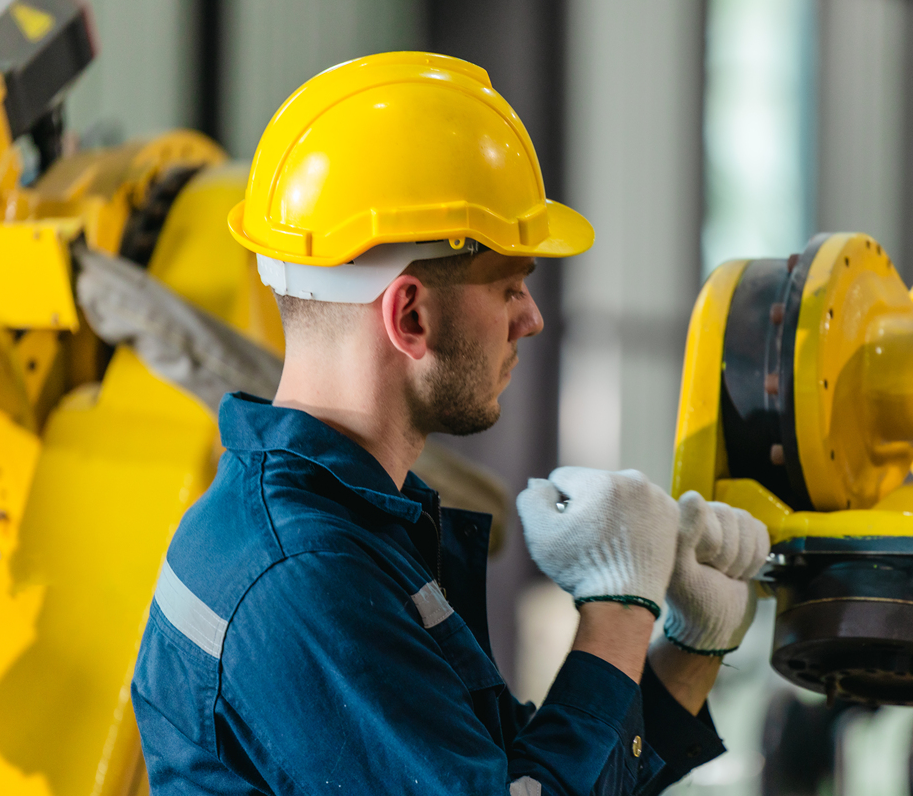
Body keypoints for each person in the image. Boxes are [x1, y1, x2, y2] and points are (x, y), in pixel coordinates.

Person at [131, 51, 770, 795]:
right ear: (409, 314)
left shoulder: (347, 534)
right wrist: (619, 603)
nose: (530, 319)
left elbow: (526, 777)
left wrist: (691, 649)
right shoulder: (304, 578)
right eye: (508, 286)